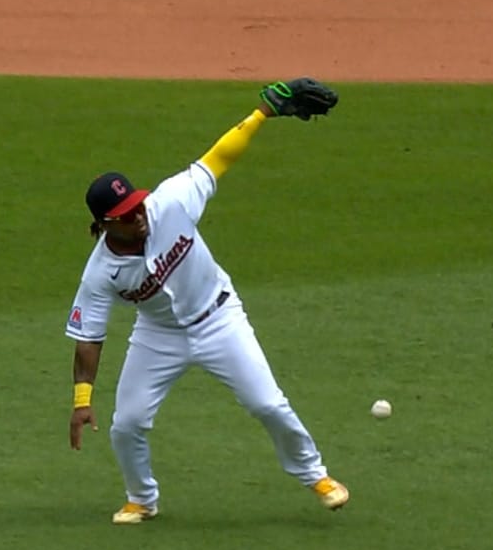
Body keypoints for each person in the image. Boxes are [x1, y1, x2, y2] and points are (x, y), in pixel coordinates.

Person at [65, 79, 350, 524]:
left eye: (138, 206)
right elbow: (89, 338)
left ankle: (317, 476)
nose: (139, 217)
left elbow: (218, 158)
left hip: (220, 318)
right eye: (125, 216)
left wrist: (263, 114)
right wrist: (82, 400)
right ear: (104, 225)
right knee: (127, 424)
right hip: (158, 335)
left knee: (267, 404)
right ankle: (142, 499)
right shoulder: (100, 273)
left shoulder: (172, 201)